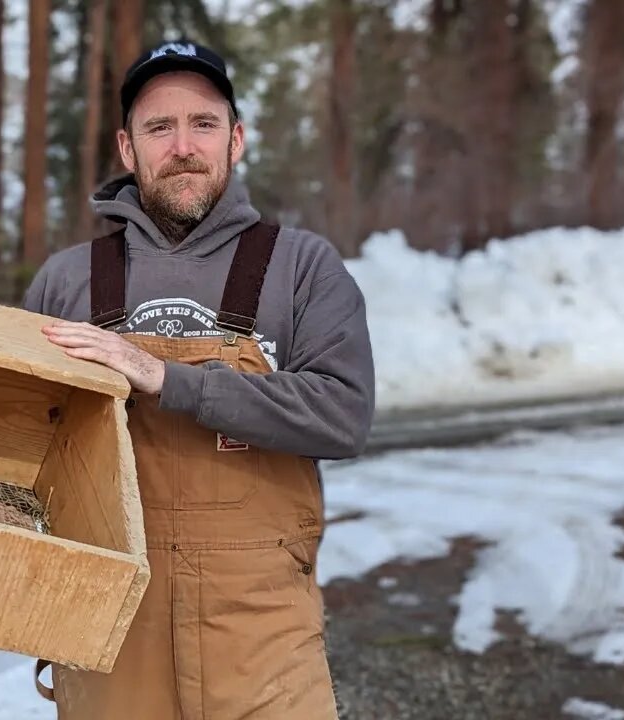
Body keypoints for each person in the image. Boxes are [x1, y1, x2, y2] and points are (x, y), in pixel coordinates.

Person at [22, 37, 375, 719]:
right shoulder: (65, 281)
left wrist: (167, 379)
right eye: (160, 127)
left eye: (203, 124)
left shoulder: (301, 267)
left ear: (235, 139)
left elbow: (344, 413)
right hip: (110, 621)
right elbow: (16, 436)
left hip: (262, 629)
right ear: (128, 149)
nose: (183, 145)